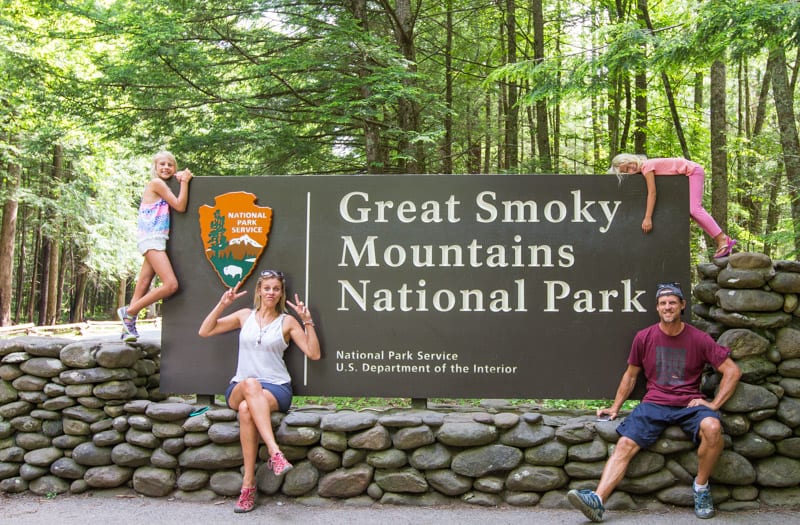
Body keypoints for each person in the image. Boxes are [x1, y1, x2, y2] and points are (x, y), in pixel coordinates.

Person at [567, 282, 741, 522]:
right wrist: (615, 407)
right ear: (657, 308)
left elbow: (732, 372)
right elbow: (630, 376)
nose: (667, 307)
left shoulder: (699, 339)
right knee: (625, 443)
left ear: (682, 306)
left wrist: (713, 405)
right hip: (654, 404)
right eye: (662, 303)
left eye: (672, 302)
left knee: (712, 428)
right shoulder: (644, 337)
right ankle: (597, 500)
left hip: (689, 405)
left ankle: (701, 488)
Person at [198, 270, 321, 513]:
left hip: (276, 387)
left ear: (280, 293)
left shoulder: (287, 322)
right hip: (241, 385)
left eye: (276, 289)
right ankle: (275, 452)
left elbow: (313, 353)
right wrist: (222, 305)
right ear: (259, 290)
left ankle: (248, 486)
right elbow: (205, 330)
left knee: (246, 410)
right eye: (267, 288)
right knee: (251, 384)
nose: (271, 293)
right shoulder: (245, 316)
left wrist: (307, 321)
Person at [118, 151, 193, 341]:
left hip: (152, 238)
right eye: (162, 164)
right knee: (170, 285)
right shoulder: (157, 183)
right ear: (155, 167)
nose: (166, 167)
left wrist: (178, 180)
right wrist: (184, 182)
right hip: (152, 238)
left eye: (170, 164)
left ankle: (127, 328)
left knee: (143, 283)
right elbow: (180, 205)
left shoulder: (163, 185)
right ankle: (130, 310)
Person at [608, 154, 736, 259]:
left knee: (694, 209)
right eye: (627, 171)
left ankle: (722, 238)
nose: (631, 168)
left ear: (630, 158)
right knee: (691, 212)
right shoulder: (644, 168)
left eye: (629, 164)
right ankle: (721, 239)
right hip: (690, 173)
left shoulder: (646, 166)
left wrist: (647, 218)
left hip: (693, 171)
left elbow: (652, 192)